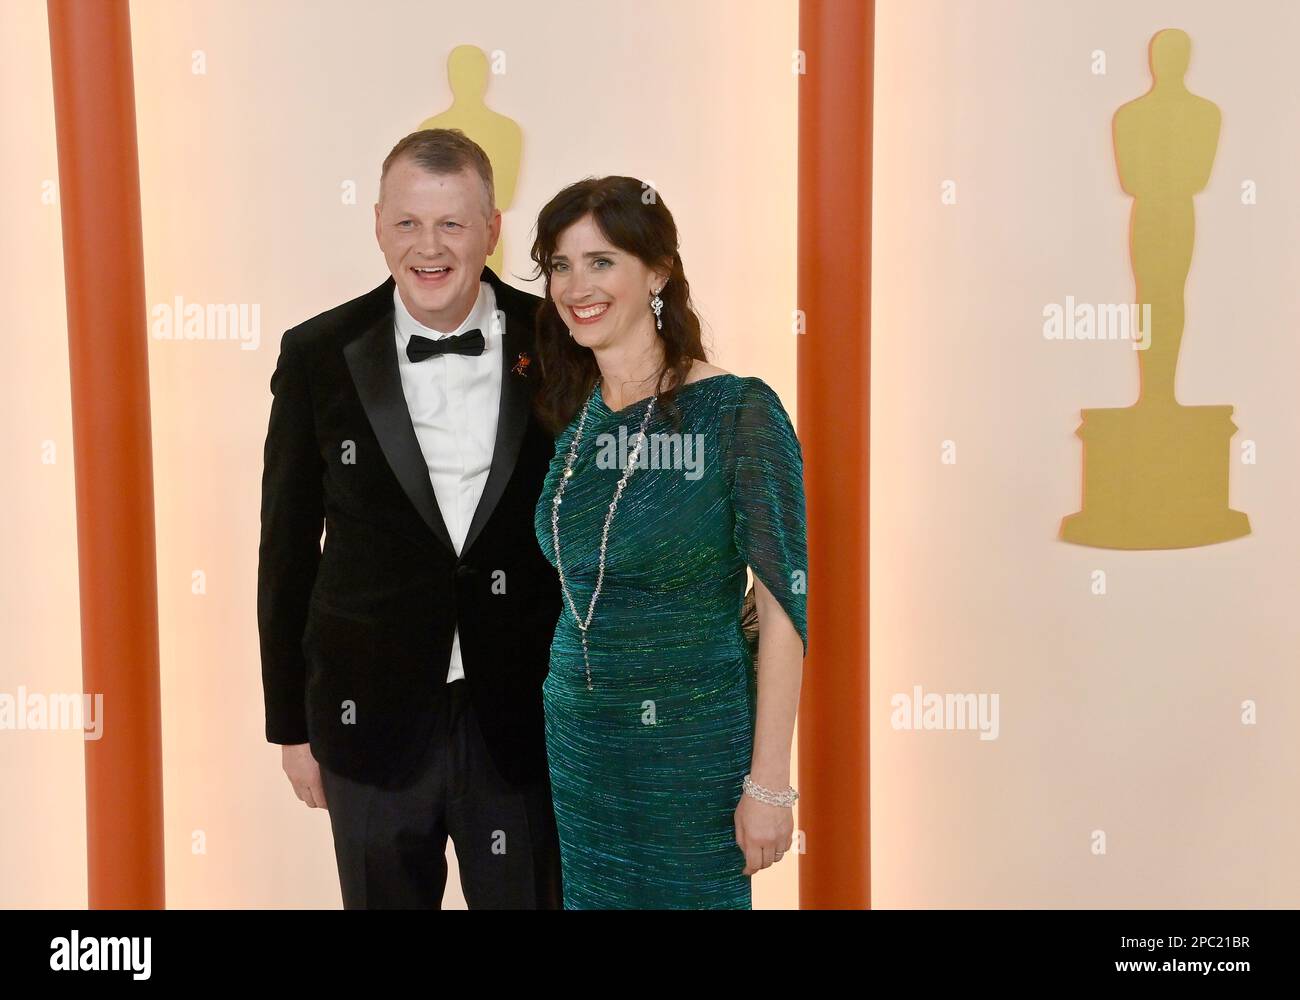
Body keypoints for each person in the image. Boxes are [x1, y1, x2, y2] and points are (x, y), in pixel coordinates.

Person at [257, 128, 562, 908]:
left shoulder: (561, 342)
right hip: (368, 723)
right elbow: (286, 552)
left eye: (452, 224)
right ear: (378, 224)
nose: (428, 248)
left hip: (525, 721)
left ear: (492, 229)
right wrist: (290, 727)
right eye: (407, 223)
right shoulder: (318, 352)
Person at [529, 176, 809, 908]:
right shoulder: (576, 419)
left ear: (656, 272)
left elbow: (782, 603)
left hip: (692, 750)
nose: (575, 285)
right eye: (560, 264)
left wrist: (770, 782)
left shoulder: (738, 411)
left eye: (601, 261)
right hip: (582, 743)